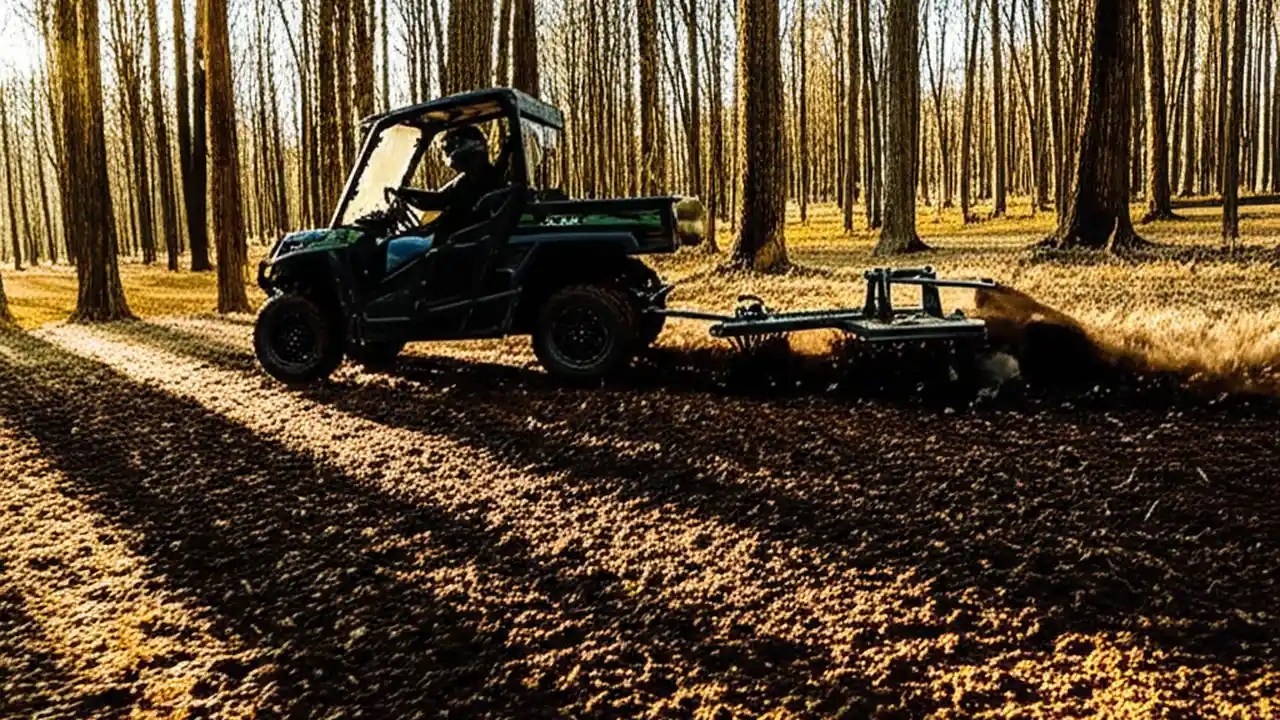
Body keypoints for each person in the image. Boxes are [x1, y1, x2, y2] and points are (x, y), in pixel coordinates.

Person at [384, 125, 505, 273]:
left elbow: (438, 201)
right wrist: (405, 193)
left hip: (453, 245)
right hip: (455, 242)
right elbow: (438, 199)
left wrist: (405, 194)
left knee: (389, 248)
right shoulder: (479, 177)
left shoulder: (480, 180)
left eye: (451, 148)